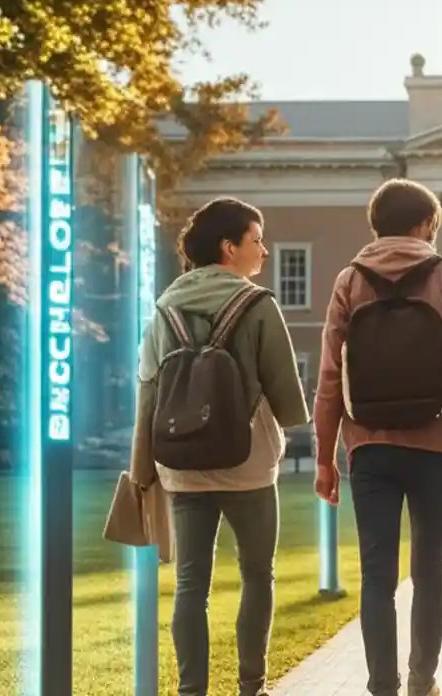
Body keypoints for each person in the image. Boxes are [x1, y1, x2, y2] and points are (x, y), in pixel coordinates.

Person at [128, 196, 311, 696]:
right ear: (229, 248)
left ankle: (192, 690)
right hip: (247, 463)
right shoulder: (257, 304)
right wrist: (291, 430)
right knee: (257, 573)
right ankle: (252, 684)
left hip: (181, 465)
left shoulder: (164, 310)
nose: (265, 251)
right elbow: (285, 389)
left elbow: (147, 389)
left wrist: (143, 468)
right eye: (257, 240)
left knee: (191, 585)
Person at [313, 178, 442, 696]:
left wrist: (325, 456)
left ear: (377, 226)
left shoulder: (349, 281)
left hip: (368, 446)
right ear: (425, 225)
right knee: (429, 570)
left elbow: (328, 375)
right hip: (433, 445)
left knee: (377, 576)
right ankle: (422, 682)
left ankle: (381, 686)